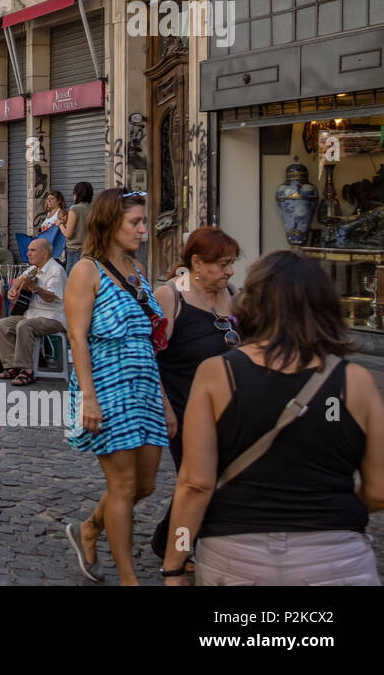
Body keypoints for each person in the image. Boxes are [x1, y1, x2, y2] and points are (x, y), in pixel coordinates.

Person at [163, 250, 383, 585]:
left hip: (236, 553)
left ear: (253, 302)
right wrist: (330, 512)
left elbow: (194, 485)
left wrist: (175, 562)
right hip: (334, 557)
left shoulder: (217, 375)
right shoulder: (356, 382)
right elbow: (379, 490)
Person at [63, 189, 170, 585]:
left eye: (144, 221)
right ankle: (129, 578)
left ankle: (90, 527)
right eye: (135, 223)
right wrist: (87, 398)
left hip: (144, 386)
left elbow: (148, 341)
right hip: (107, 386)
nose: (144, 229)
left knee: (145, 483)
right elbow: (77, 338)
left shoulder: (136, 270)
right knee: (123, 485)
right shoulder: (86, 271)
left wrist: (165, 401)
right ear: (110, 224)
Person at [148, 227, 240, 561]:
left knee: (209, 481)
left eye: (231, 263)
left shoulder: (231, 292)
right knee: (200, 481)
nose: (229, 270)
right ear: (197, 262)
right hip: (184, 407)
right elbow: (149, 354)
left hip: (226, 409)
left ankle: (168, 540)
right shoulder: (171, 295)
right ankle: (177, 550)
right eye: (223, 263)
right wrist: (165, 407)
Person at [0, 237, 67, 387]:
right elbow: (17, 281)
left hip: (53, 317)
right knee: (3, 324)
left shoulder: (55, 271)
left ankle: (27, 370)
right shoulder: (34, 269)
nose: (28, 253)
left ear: (45, 253)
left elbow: (50, 297)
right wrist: (13, 290)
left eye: (32, 250)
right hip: (32, 314)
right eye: (28, 250)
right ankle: (11, 366)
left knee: (24, 326)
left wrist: (35, 288)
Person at [60, 182, 93, 273]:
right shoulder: (93, 208)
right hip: (90, 251)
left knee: (71, 283)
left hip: (75, 252)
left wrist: (59, 224)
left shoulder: (74, 209)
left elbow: (68, 234)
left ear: (78, 194)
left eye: (74, 193)